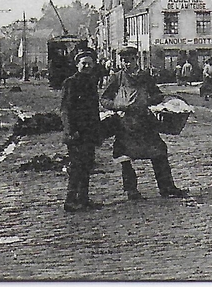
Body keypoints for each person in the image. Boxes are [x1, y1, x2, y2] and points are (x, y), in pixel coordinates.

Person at [103, 47, 188, 200]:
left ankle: (167, 187)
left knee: (159, 152)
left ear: (136, 60)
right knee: (125, 157)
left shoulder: (145, 77)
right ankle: (131, 191)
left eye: (129, 60)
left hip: (145, 121)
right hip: (125, 123)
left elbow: (156, 94)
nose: (126, 64)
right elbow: (104, 100)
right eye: (123, 61)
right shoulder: (116, 78)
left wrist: (154, 100)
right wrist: (119, 106)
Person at [59, 48, 105, 212]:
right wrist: (70, 131)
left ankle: (84, 199)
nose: (86, 66)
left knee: (87, 166)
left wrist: (97, 131)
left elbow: (94, 110)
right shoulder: (70, 83)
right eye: (83, 63)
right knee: (76, 167)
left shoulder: (91, 82)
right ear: (77, 65)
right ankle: (71, 200)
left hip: (89, 132)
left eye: (89, 64)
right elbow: (66, 109)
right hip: (77, 133)